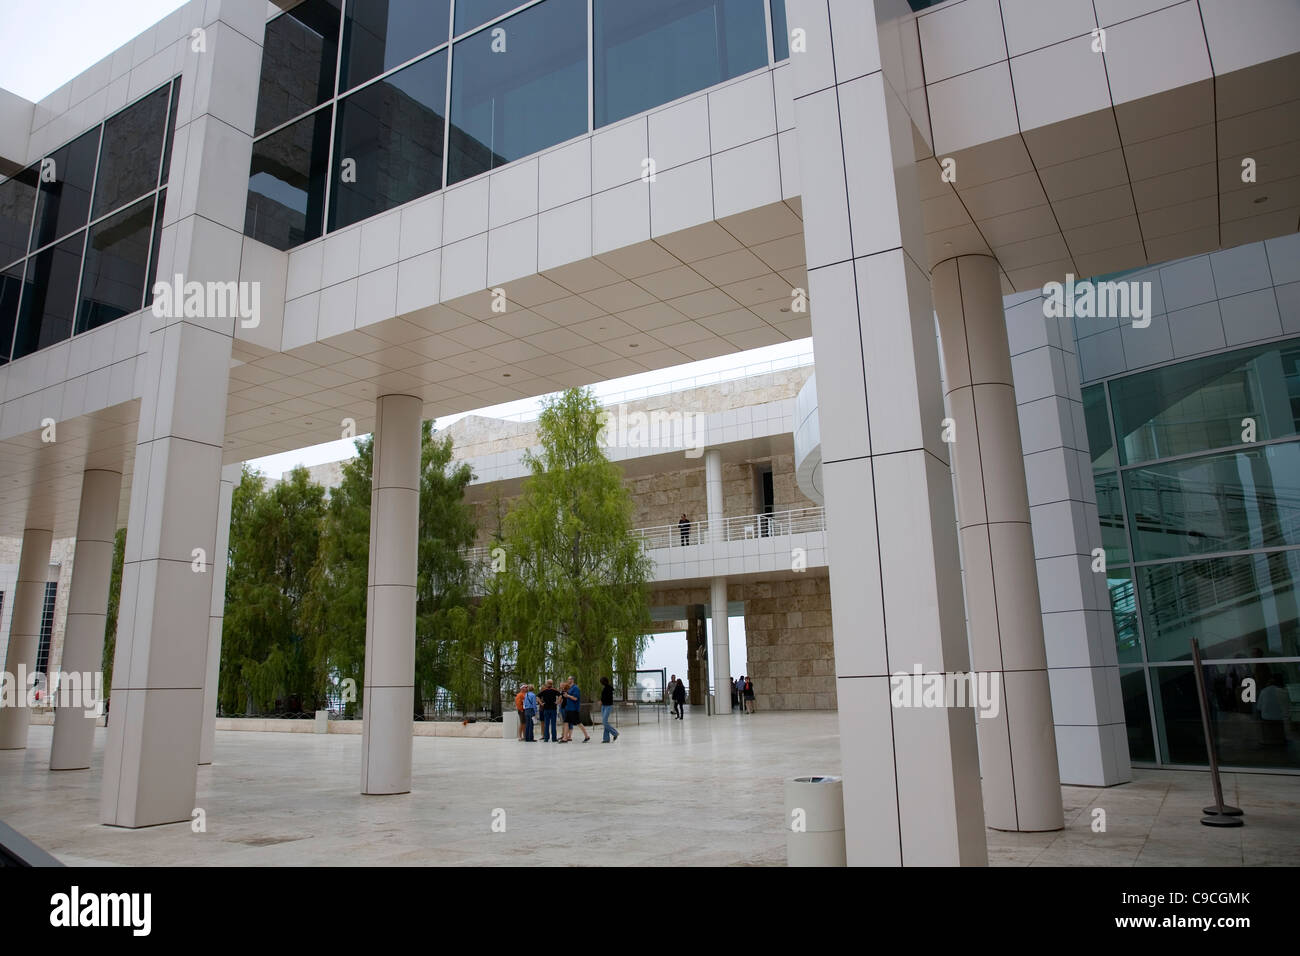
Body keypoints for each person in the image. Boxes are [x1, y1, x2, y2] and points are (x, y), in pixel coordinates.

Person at [562, 676, 590, 742]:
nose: (568, 680)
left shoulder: (575, 688)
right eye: (568, 679)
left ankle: (587, 736)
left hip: (573, 709)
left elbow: (575, 698)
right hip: (568, 708)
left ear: (572, 680)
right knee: (566, 722)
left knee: (578, 723)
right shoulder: (569, 688)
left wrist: (567, 696)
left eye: (569, 679)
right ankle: (565, 738)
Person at [599, 676, 620, 743]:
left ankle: (615, 733)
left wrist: (601, 701)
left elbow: (607, 698)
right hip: (604, 706)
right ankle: (606, 739)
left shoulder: (609, 688)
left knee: (604, 722)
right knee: (605, 722)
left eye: (601, 682)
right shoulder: (605, 688)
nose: (601, 683)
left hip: (608, 706)